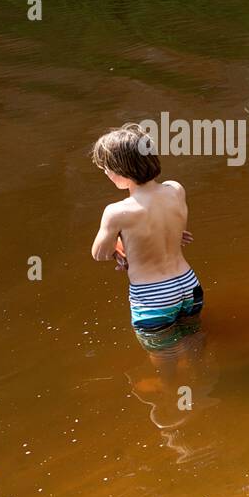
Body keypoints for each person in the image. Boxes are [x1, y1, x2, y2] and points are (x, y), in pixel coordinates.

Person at [88, 123, 202, 345]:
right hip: (189, 284)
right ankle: (199, 373)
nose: (106, 173)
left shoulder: (116, 212)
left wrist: (119, 250)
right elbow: (176, 233)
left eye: (107, 168)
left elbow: (99, 254)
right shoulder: (175, 189)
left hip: (154, 295)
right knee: (194, 337)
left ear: (122, 171)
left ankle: (168, 380)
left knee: (162, 352)